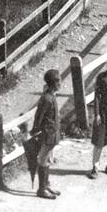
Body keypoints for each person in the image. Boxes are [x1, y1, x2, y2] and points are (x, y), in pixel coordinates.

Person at [33, 68, 62, 199]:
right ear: (52, 83)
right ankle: (41, 189)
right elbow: (39, 117)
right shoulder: (47, 99)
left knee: (48, 159)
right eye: (58, 81)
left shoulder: (52, 96)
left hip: (53, 134)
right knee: (43, 160)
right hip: (47, 134)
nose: (60, 83)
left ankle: (47, 184)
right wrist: (35, 130)